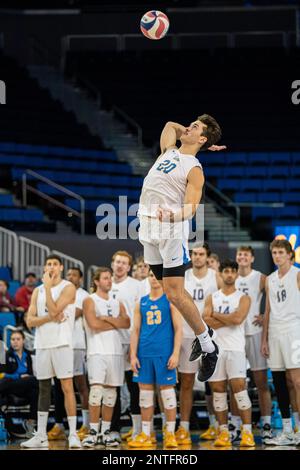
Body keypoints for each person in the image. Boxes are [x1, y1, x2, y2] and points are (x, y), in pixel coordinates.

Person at [138, 116, 225, 381]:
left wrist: (172, 217)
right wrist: (197, 134)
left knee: (174, 294)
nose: (188, 127)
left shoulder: (194, 168)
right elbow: (168, 125)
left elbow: (191, 207)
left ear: (201, 139)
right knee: (169, 290)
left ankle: (209, 346)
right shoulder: (169, 150)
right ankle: (206, 337)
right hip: (147, 226)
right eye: (191, 123)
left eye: (196, 127)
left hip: (170, 230)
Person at [20, 254, 81, 449]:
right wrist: (49, 318)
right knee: (43, 389)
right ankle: (41, 435)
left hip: (62, 343)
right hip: (42, 343)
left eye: (55, 264)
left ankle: (73, 434)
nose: (51, 267)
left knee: (67, 387)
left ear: (61, 268)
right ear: (45, 268)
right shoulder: (37, 291)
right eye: (48, 264)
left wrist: (47, 290)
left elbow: (54, 310)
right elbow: (29, 321)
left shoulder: (68, 287)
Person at [203, 260, 254, 448]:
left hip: (235, 349)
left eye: (233, 271)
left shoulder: (243, 297)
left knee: (240, 389)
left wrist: (217, 315)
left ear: (236, 275)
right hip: (215, 349)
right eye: (226, 271)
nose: (230, 274)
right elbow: (206, 322)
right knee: (217, 392)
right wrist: (229, 319)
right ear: (221, 274)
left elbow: (238, 318)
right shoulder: (212, 297)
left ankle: (247, 432)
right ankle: (224, 432)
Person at [129, 270, 182, 449]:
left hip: (164, 354)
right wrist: (133, 354)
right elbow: (135, 330)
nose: (154, 278)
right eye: (151, 275)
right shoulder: (141, 302)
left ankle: (170, 433)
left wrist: (175, 354)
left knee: (167, 395)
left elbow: (179, 329)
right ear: (148, 278)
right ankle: (145, 433)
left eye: (157, 275)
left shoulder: (170, 300)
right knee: (144, 396)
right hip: (144, 354)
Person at [176, 243, 222, 445]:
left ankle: (216, 426)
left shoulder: (215, 276)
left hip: (210, 334)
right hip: (186, 335)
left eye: (201, 254)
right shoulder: (183, 276)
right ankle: (183, 428)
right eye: (194, 254)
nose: (197, 257)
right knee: (186, 383)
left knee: (214, 384)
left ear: (207, 256)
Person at [82, 267, 130, 448]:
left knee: (111, 394)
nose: (109, 281)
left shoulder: (118, 302)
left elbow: (126, 323)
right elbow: (93, 324)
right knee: (96, 393)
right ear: (96, 281)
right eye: (105, 278)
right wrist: (115, 322)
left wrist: (107, 319)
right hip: (97, 351)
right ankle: (93, 431)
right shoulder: (89, 300)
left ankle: (106, 431)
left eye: (110, 278)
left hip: (115, 352)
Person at [261, 239, 300, 446]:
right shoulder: (270, 279)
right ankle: (287, 430)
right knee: (279, 382)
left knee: (297, 382)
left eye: (280, 253)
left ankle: (299, 428)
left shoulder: (298, 274)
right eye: (274, 253)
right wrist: (264, 338)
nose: (277, 256)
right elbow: (267, 310)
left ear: (289, 255)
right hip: (275, 332)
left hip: (294, 330)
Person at [233, 246, 272, 443]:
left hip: (255, 334)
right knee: (236, 383)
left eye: (246, 254)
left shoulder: (261, 277)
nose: (242, 257)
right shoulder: (231, 277)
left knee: (261, 383)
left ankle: (266, 424)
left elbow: (274, 298)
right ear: (236, 257)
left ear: (252, 258)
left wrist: (266, 316)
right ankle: (236, 426)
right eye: (240, 254)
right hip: (235, 335)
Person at [47, 267, 90, 441]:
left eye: (74, 275)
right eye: (69, 274)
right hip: (60, 342)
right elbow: (52, 312)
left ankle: (85, 424)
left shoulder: (84, 295)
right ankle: (59, 425)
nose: (71, 277)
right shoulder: (61, 291)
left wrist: (57, 309)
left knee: (80, 385)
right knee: (59, 386)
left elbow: (76, 313)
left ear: (80, 278)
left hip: (77, 343)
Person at [109, 251, 143, 443]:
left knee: (134, 388)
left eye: (124, 263)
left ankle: (137, 429)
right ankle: (114, 429)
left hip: (131, 342)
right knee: (113, 387)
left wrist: (136, 345)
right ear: (112, 264)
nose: (120, 265)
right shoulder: (104, 284)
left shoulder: (137, 286)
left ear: (129, 267)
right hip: (110, 343)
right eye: (117, 262)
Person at [0, 329, 38, 437]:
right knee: (35, 381)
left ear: (23, 340)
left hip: (24, 386)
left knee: (35, 391)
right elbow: (2, 374)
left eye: (18, 339)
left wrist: (25, 378)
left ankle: (30, 423)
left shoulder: (29, 355)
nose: (15, 342)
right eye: (12, 339)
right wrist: (19, 376)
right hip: (9, 385)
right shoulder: (4, 354)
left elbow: (30, 373)